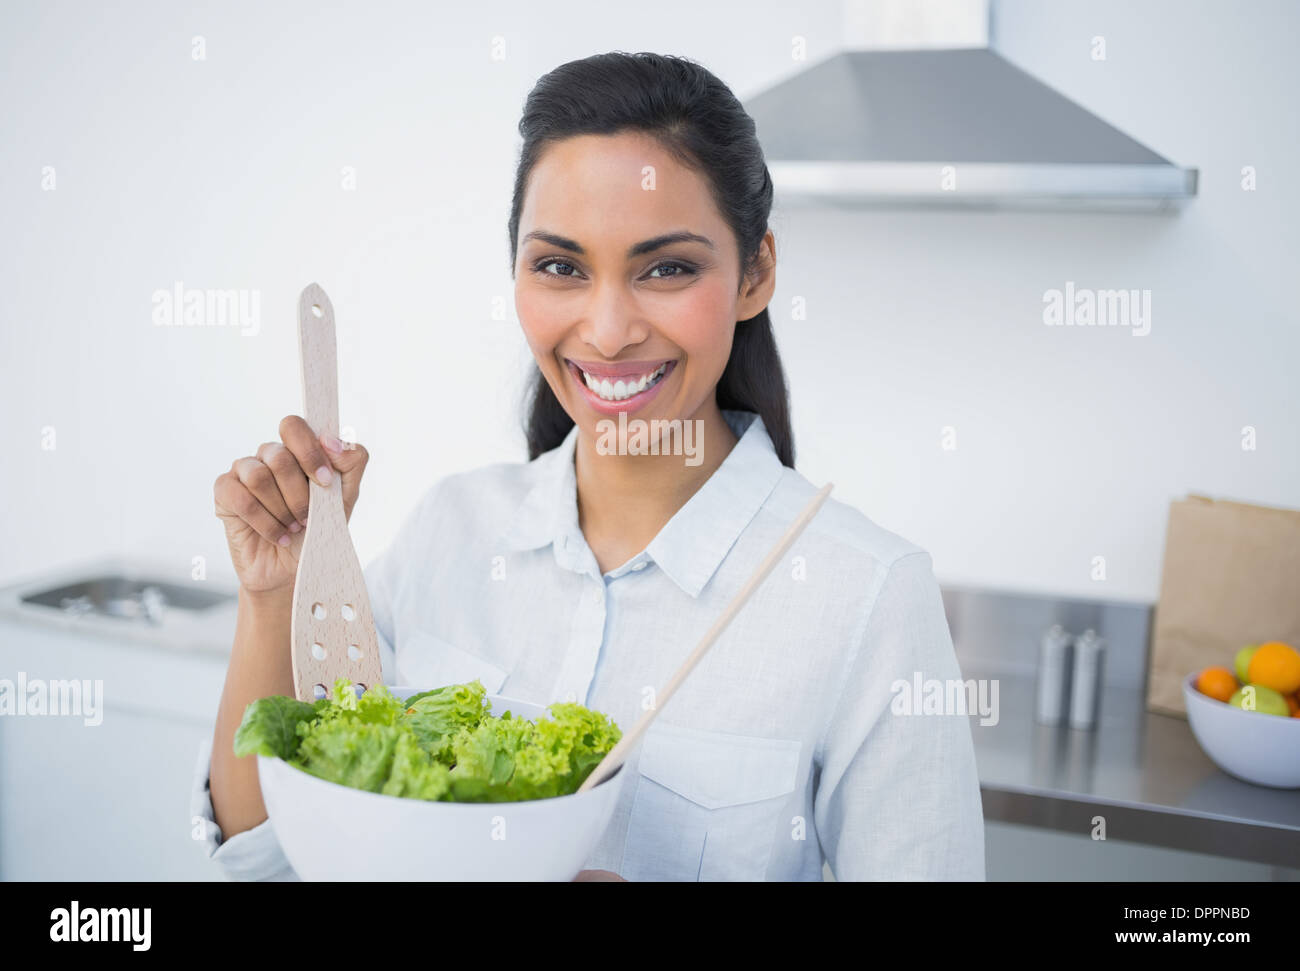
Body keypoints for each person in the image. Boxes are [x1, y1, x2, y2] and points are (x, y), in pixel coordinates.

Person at [194, 50, 985, 882]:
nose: (607, 331)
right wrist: (276, 598)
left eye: (667, 267)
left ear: (755, 273)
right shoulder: (450, 531)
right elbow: (267, 858)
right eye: (561, 268)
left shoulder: (867, 595)